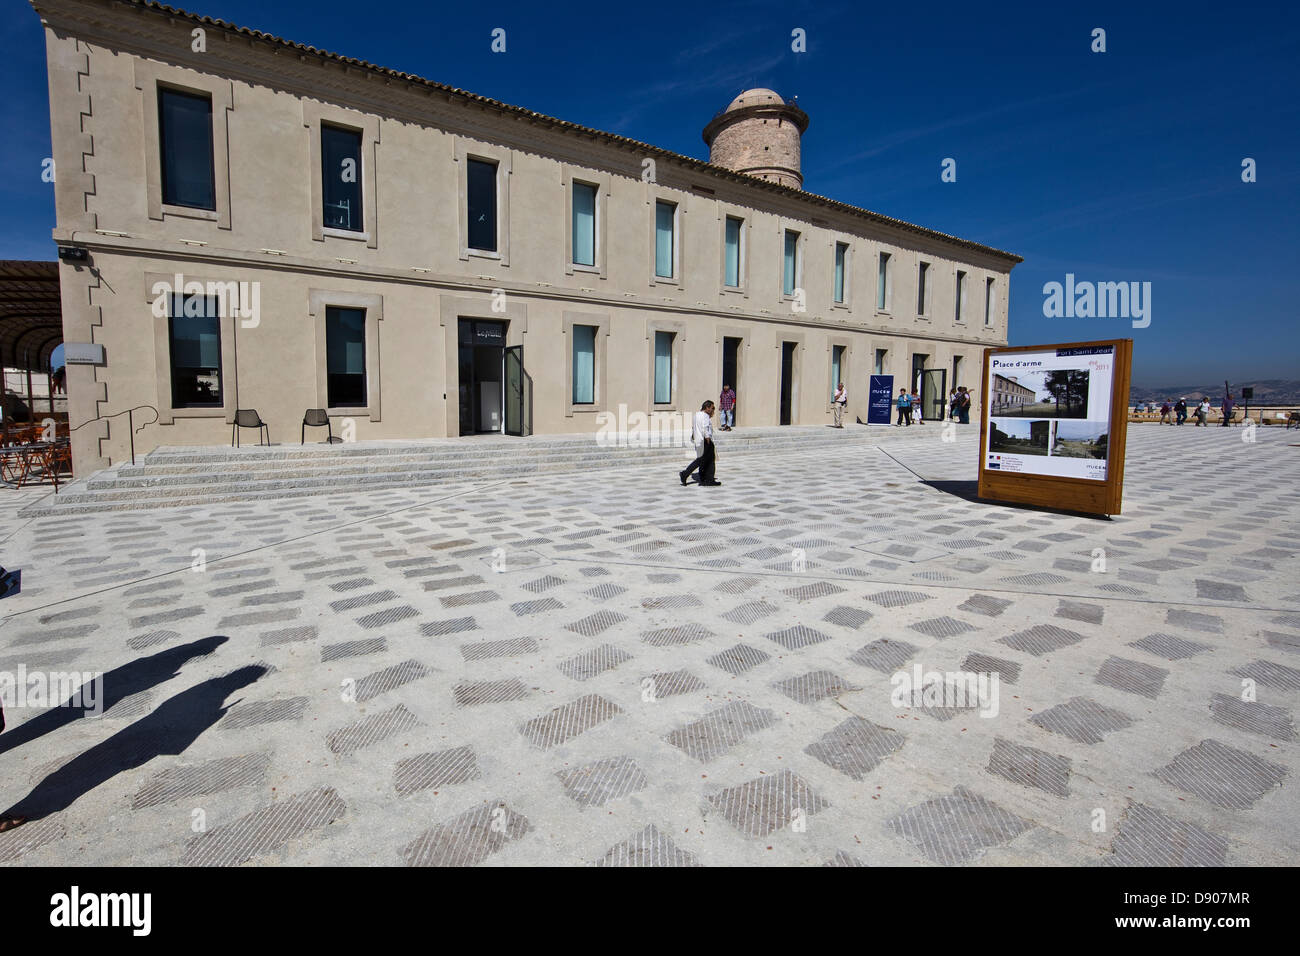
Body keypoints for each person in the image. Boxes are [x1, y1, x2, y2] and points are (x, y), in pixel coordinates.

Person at [680, 400, 719, 486]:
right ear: (707, 408)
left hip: (698, 440)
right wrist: (708, 439)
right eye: (712, 408)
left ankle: (705, 478)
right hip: (705, 440)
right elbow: (705, 428)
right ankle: (686, 474)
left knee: (704, 460)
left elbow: (694, 428)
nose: (713, 410)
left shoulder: (696, 415)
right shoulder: (705, 416)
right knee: (707, 460)